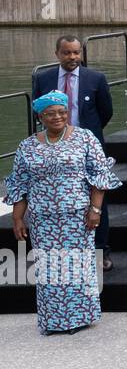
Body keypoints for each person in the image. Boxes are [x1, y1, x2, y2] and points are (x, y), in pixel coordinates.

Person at [5, 92, 120, 334]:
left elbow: (100, 176)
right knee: (49, 269)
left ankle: (80, 318)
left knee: (76, 267)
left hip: (77, 217)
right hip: (42, 219)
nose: (57, 117)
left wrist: (95, 209)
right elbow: (19, 183)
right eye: (50, 113)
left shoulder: (85, 138)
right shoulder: (27, 146)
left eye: (62, 112)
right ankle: (53, 321)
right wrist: (17, 217)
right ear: (40, 117)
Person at [32, 35, 115, 269]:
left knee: (97, 199)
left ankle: (100, 252)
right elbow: (38, 113)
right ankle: (62, 252)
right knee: (58, 198)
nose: (73, 57)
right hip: (53, 150)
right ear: (57, 53)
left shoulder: (96, 78)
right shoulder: (43, 78)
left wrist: (84, 138)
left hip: (87, 148)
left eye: (76, 52)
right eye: (67, 53)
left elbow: (105, 113)